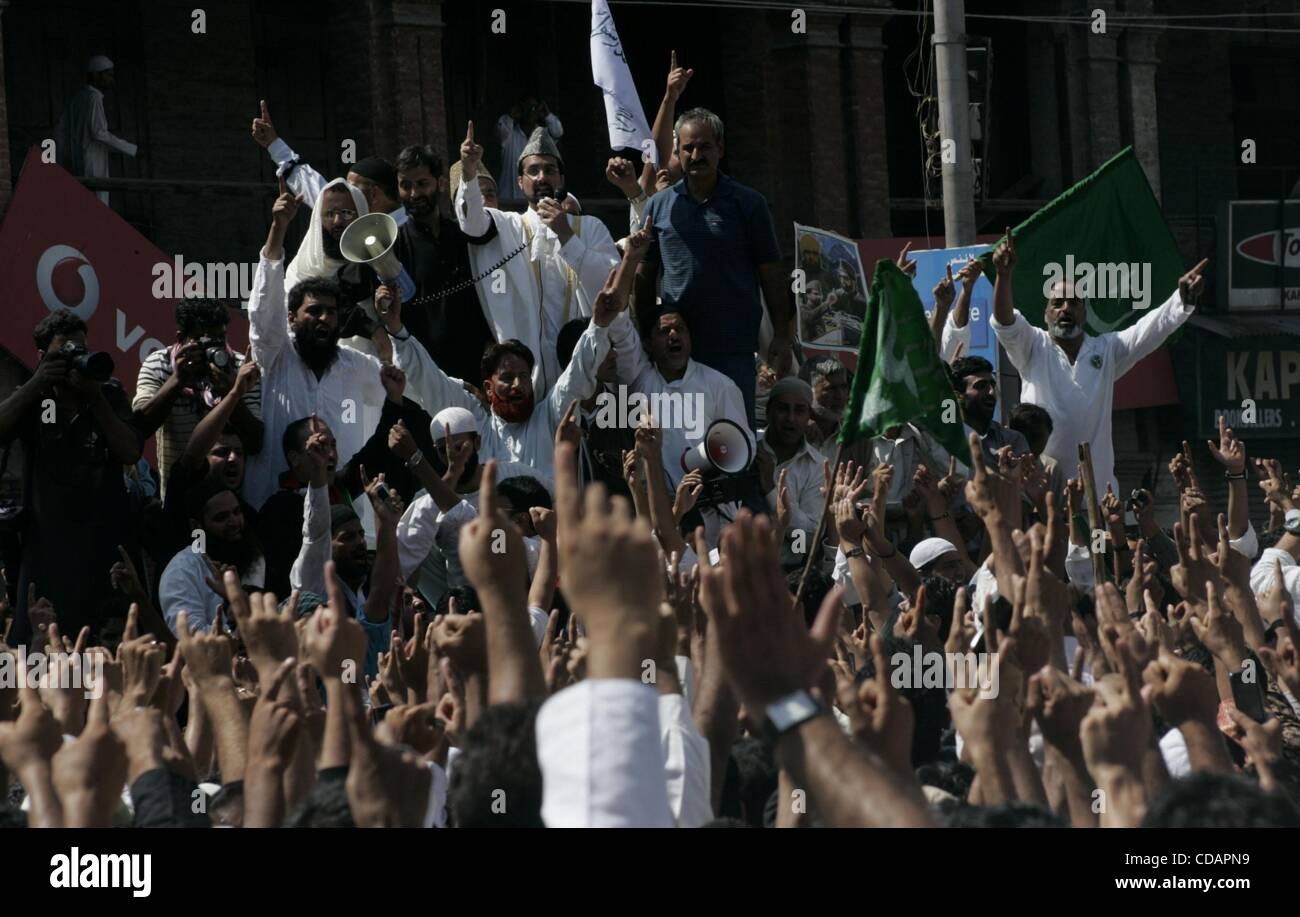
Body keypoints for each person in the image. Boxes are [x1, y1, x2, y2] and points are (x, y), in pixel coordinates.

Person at [989, 227, 1207, 493]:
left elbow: (1150, 331)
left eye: (1074, 303)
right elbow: (1005, 323)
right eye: (1057, 303)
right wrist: (1003, 275)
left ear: (1085, 312)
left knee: (1100, 537)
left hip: (1098, 496)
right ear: (1045, 314)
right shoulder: (1033, 345)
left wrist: (1181, 300)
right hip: (1042, 493)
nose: (1065, 308)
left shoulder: (1105, 351)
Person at [633, 108, 794, 424]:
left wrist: (781, 336)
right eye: (688, 148)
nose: (696, 155)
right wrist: (645, 334)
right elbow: (644, 275)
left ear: (720, 148)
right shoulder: (658, 206)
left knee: (732, 440)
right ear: (677, 153)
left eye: (705, 146)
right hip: (676, 350)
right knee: (679, 439)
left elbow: (771, 274)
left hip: (731, 349)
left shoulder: (749, 204)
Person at [382, 267, 618, 479]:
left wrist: (599, 325)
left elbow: (575, 376)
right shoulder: (477, 426)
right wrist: (395, 327)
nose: (517, 384)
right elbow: (430, 381)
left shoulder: (550, 417)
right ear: (488, 387)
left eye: (524, 376)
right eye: (507, 377)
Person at [0, 309, 142, 643]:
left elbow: (129, 451)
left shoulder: (107, 393)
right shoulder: (36, 398)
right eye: (64, 353)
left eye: (80, 349)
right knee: (37, 648)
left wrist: (95, 398)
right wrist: (37, 383)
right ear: (42, 356)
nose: (75, 359)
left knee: (101, 646)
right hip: (46, 547)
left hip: (100, 545)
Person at [242, 184, 388, 510]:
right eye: (314, 312)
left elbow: (395, 387)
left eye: (331, 313)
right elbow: (264, 312)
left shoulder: (355, 364)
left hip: (340, 513)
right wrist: (278, 229)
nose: (323, 319)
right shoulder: (276, 354)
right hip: (274, 506)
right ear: (292, 318)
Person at [455, 121, 621, 396]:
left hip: (586, 371)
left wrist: (566, 235)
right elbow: (472, 222)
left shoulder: (589, 228)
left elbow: (611, 286)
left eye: (550, 170)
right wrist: (470, 172)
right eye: (533, 171)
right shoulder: (507, 226)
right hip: (527, 380)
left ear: (561, 179)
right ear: (520, 182)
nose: (542, 177)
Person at [132, 299, 264, 497]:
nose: (210, 348)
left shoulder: (240, 369)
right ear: (180, 338)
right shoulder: (160, 365)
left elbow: (256, 442)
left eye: (218, 339)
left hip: (230, 501)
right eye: (200, 341)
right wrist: (178, 381)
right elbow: (139, 429)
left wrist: (231, 392)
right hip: (179, 496)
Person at [392, 144, 496, 385]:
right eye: (405, 186)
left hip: (475, 373)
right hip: (423, 376)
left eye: (421, 184)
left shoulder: (465, 235)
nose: (414, 194)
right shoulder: (394, 245)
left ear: (439, 184)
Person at [250, 100, 407, 226]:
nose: (344, 196)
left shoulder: (410, 232)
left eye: (351, 190)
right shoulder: (353, 220)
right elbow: (313, 187)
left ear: (374, 195)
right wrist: (273, 144)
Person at [158, 479, 266, 634]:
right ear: (196, 526)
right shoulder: (181, 572)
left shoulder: (252, 556)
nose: (234, 522)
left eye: (236, 512)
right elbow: (192, 637)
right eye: (221, 517)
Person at [755, 377, 827, 567]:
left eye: (799, 410)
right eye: (783, 408)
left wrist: (771, 491)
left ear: (809, 417)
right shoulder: (747, 450)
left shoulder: (818, 467)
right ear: (769, 411)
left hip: (787, 572)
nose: (790, 418)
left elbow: (805, 543)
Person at [54, 55, 139, 205]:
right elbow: (99, 133)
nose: (111, 79)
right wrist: (130, 149)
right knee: (97, 206)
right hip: (93, 164)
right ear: (95, 75)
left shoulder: (78, 98)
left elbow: (61, 129)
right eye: (108, 75)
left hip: (78, 161)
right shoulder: (93, 98)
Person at [947, 355, 1029, 468]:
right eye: (981, 386)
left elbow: (1026, 482)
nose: (991, 392)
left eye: (992, 385)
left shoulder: (1012, 440)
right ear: (959, 395)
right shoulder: (946, 441)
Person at [497, 98, 563, 205]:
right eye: (526, 109)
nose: (530, 112)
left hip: (536, 200)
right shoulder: (509, 136)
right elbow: (503, 126)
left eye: (534, 109)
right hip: (509, 198)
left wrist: (548, 115)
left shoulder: (544, 136)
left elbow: (558, 132)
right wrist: (512, 115)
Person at [801, 357, 850, 449]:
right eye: (831, 389)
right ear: (807, 391)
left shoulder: (855, 439)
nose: (840, 396)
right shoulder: (791, 434)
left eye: (844, 387)